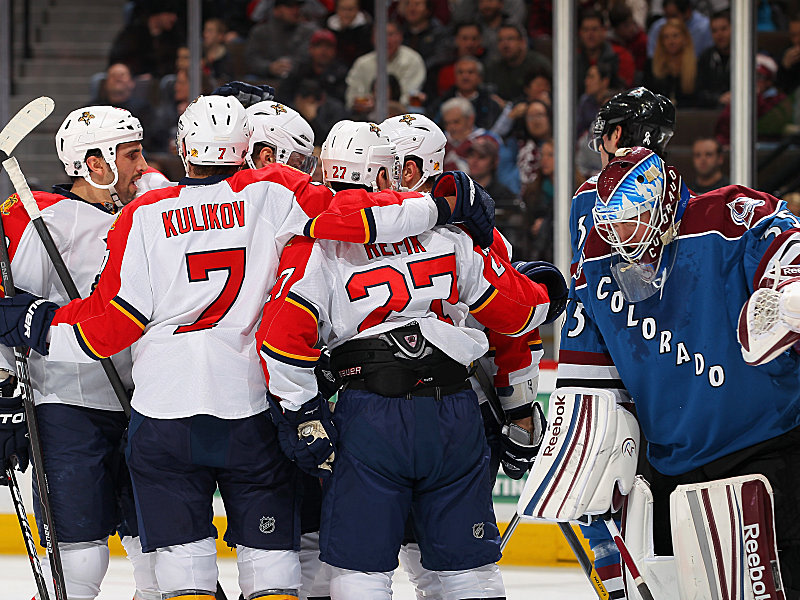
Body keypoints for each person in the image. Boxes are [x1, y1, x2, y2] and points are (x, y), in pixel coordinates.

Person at [0, 95, 493, 600]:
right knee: (274, 571)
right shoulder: (273, 191)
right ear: (248, 147)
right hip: (250, 409)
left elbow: (106, 327)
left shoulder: (146, 211)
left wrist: (35, 325)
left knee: (179, 575)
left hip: (162, 413)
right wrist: (440, 207)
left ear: (184, 146)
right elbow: (358, 217)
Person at [255, 119, 553, 599]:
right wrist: (547, 295)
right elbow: (517, 318)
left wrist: (304, 416)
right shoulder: (454, 234)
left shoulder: (316, 243)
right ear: (390, 173)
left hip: (368, 413)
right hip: (455, 411)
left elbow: (282, 342)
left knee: (360, 571)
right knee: (466, 571)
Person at [554, 144, 800, 598]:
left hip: (766, 445)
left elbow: (785, 243)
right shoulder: (594, 265)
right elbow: (585, 370)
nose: (621, 236)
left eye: (632, 217)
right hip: (671, 466)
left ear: (664, 201)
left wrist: (787, 289)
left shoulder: (727, 216)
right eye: (610, 222)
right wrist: (572, 449)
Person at [0, 105, 157, 600]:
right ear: (95, 164)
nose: (141, 165)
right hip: (68, 403)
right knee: (81, 557)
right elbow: (14, 316)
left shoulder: (145, 215)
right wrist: (6, 390)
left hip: (143, 402)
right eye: (130, 155)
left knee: (155, 553)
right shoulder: (49, 218)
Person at [568, 86, 676, 599]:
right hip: (663, 362)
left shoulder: (591, 194)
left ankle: (619, 586)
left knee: (581, 491)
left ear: (614, 134)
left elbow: (588, 281)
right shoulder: (678, 193)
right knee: (652, 486)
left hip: (595, 358)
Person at [344, 19, 426, 115]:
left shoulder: (412, 60)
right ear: (373, 39)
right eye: (380, 36)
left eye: (390, 35)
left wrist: (382, 105)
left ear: (400, 37)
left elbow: (409, 95)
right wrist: (360, 104)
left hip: (403, 117)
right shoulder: (362, 63)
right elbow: (352, 98)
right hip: (367, 119)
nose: (386, 40)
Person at [643, 18, 697, 107]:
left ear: (685, 38)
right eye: (666, 37)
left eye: (675, 36)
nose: (671, 41)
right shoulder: (650, 65)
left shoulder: (697, 65)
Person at [646, 0, 712, 59]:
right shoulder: (657, 27)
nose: (669, 21)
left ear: (687, 12)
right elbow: (651, 57)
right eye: (666, 16)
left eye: (673, 16)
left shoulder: (705, 28)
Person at [694, 9, 731, 108]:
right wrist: (718, 98)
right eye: (714, 31)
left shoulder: (745, 57)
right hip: (713, 110)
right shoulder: (706, 57)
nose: (719, 34)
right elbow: (699, 92)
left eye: (723, 29)